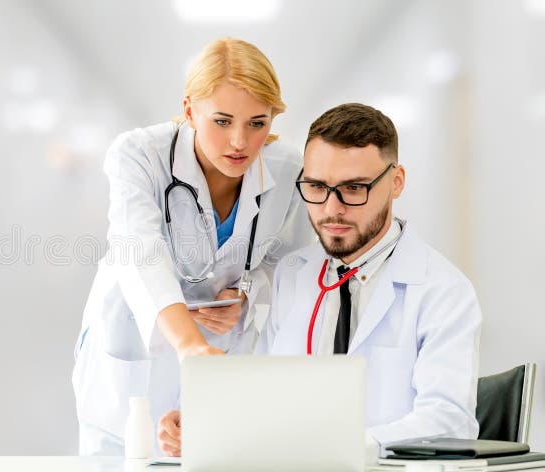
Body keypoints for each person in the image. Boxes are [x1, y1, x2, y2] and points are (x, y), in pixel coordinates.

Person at [158, 103, 482, 458]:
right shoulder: (293, 275)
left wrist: (344, 448)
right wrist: (209, 424)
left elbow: (451, 422)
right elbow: (265, 396)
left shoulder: (443, 291)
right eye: (316, 187)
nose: (331, 209)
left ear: (396, 182)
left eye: (354, 188)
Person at [72, 37, 313, 455]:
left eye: (258, 123)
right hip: (134, 353)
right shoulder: (139, 155)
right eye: (222, 121)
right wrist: (188, 344)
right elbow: (138, 250)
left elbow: (286, 262)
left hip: (218, 356)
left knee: (213, 454)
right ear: (189, 110)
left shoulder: (287, 168)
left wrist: (247, 292)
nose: (239, 141)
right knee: (128, 454)